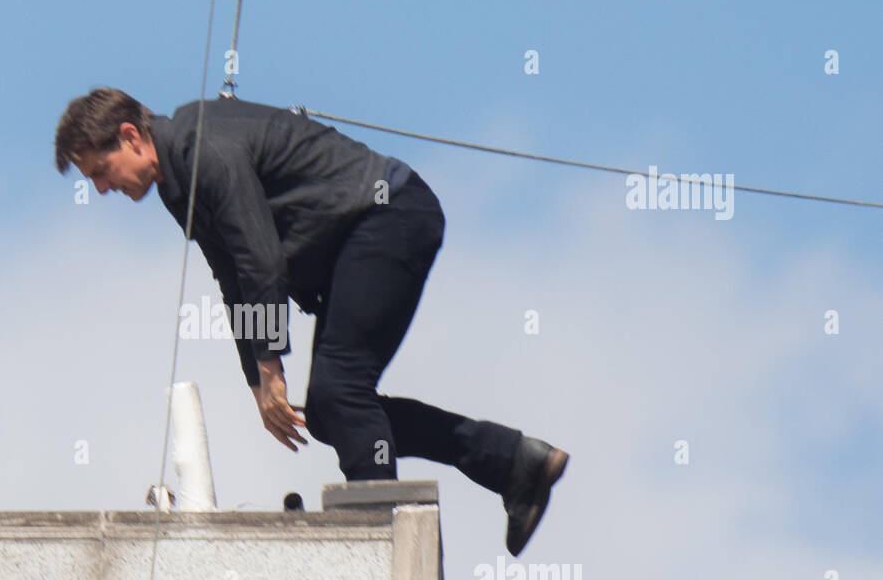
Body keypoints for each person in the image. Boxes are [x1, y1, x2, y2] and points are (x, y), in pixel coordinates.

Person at [54, 88, 568, 555]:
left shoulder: (203, 149)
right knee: (328, 411)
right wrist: (258, 380)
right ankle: (512, 462)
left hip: (388, 215)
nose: (101, 189)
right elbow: (233, 277)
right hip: (361, 236)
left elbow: (262, 262)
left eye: (100, 171)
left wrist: (271, 363)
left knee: (341, 393)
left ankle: (378, 544)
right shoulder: (175, 182)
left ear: (131, 137)